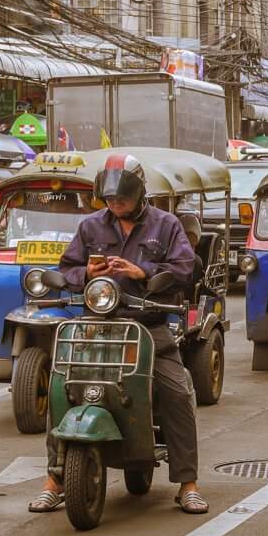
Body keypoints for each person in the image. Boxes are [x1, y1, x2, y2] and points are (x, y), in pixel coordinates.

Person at [28, 152, 207, 516]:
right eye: (110, 199)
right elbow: (67, 268)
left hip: (148, 327)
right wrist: (87, 274)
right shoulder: (91, 226)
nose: (115, 204)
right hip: (97, 328)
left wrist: (142, 273)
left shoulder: (166, 224)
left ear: (139, 193)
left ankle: (187, 483)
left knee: (176, 393)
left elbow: (186, 268)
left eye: (121, 199)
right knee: (63, 387)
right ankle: (55, 479)